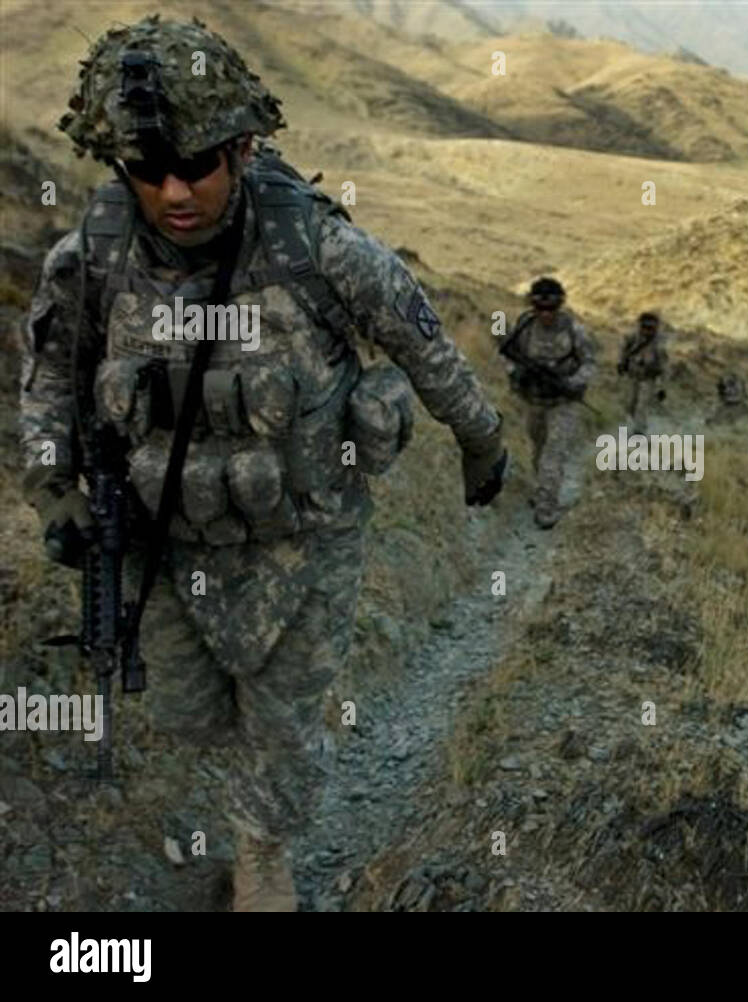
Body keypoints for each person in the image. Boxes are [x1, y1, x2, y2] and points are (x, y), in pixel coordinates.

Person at [19, 15, 507, 911]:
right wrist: (51, 485)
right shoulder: (91, 261)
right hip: (166, 536)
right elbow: (51, 376)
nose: (174, 191)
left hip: (305, 532)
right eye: (147, 171)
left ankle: (262, 863)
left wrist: (483, 443)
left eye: (195, 165)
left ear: (242, 149)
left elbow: (428, 348)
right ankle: (237, 826)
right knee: (191, 714)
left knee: (281, 722)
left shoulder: (317, 250)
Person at [498, 276, 596, 529]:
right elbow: (507, 354)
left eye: (550, 309)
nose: (545, 315)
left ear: (559, 306)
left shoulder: (574, 331)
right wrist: (516, 373)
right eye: (539, 309)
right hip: (534, 400)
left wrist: (573, 382)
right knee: (539, 450)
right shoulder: (524, 326)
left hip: (563, 401)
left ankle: (546, 508)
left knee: (554, 453)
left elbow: (589, 363)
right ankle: (541, 491)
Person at [617, 311, 667, 434]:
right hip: (632, 376)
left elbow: (663, 367)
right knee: (630, 404)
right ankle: (631, 428)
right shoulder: (632, 338)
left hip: (648, 379)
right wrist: (620, 364)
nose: (647, 331)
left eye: (650, 328)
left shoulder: (658, 345)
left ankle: (639, 432)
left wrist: (661, 388)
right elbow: (623, 352)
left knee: (642, 406)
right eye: (644, 327)